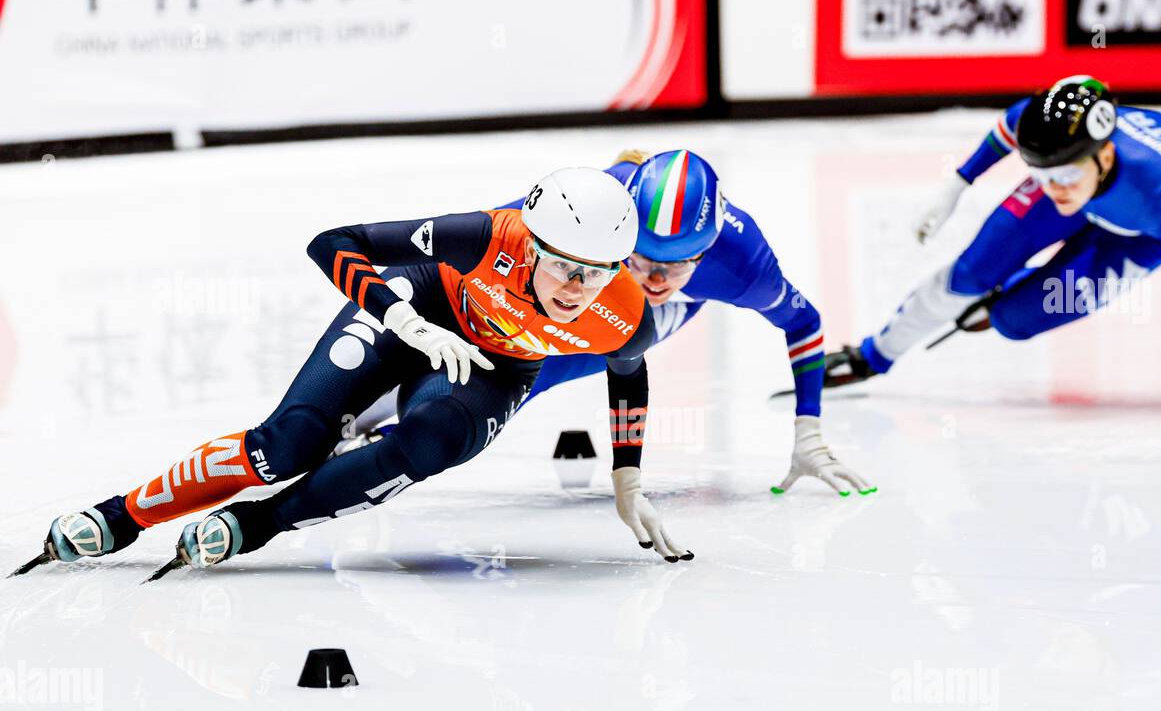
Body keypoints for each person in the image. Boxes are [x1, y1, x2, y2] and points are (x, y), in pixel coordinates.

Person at [16, 167, 692, 578]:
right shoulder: (488, 235)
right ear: (532, 243)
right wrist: (398, 315)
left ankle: (261, 525)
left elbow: (628, 372)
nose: (579, 289)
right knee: (286, 444)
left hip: (492, 365)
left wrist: (626, 476)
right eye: (566, 267)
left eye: (600, 273)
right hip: (421, 305)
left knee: (430, 442)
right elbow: (335, 243)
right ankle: (122, 516)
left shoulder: (620, 312)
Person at [345, 149, 873, 497]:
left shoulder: (743, 266)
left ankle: (394, 435)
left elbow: (805, 323)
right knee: (492, 310)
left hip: (646, 308)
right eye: (641, 261)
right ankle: (363, 409)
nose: (655, 280)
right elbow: (491, 234)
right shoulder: (601, 206)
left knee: (541, 359)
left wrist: (810, 434)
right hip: (594, 268)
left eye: (675, 268)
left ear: (707, 253)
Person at [829, 75, 1161, 409]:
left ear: (1105, 153)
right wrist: (956, 185)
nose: (1054, 187)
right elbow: (1011, 128)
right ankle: (871, 357)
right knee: (970, 273)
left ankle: (1003, 304)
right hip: (1104, 192)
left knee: (1015, 320)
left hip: (1140, 234)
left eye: (1065, 174)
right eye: (1041, 174)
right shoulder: (1055, 150)